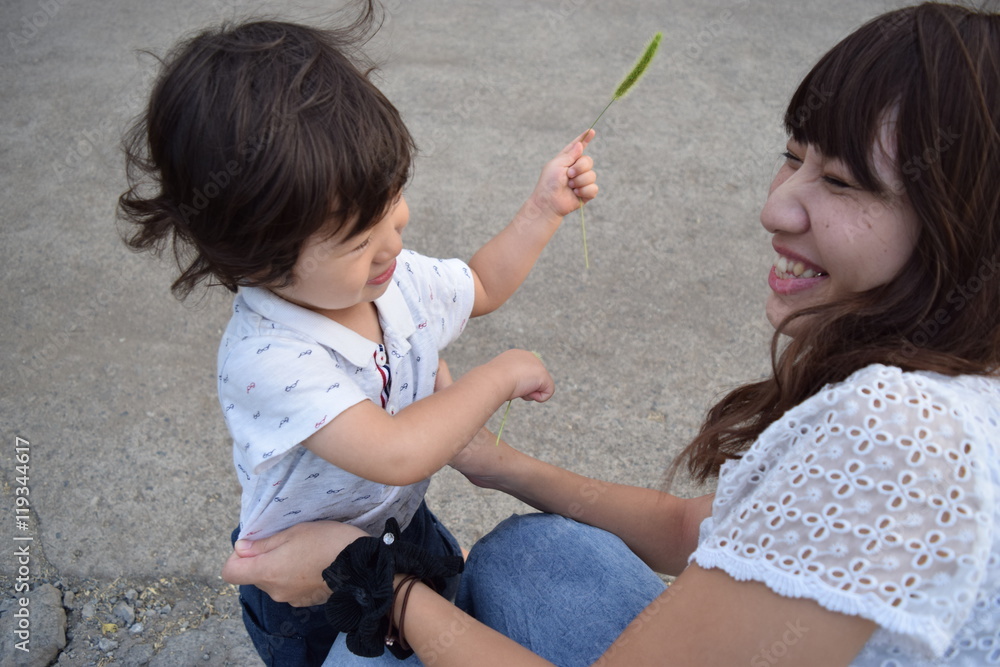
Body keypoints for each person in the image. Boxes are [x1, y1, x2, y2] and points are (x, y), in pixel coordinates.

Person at [222, 3, 1000, 666]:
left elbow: (479, 289)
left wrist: (378, 590)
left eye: (839, 182)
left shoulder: (906, 432)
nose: (775, 209)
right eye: (792, 158)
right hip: (334, 551)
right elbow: (692, 528)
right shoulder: (956, 384)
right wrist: (497, 460)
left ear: (964, 226)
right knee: (532, 555)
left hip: (358, 548)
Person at [116, 4, 598, 665]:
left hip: (401, 523)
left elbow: (480, 286)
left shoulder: (383, 276)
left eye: (392, 197)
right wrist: (502, 373)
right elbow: (398, 452)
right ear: (258, 260)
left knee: (438, 612)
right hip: (310, 585)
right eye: (359, 236)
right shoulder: (268, 357)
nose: (395, 233)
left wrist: (542, 211)